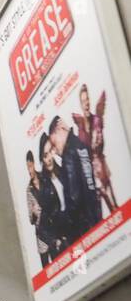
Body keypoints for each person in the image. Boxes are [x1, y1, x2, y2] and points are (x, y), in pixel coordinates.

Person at [48, 114, 102, 241]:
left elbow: (74, 198)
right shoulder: (80, 145)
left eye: (54, 143)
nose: (55, 150)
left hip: (83, 227)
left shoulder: (68, 156)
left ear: (60, 130)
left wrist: (60, 223)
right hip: (95, 217)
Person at [73, 85, 116, 215]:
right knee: (98, 218)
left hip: (101, 171)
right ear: (80, 104)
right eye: (83, 101)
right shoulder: (80, 128)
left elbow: (100, 142)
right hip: (91, 179)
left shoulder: (96, 120)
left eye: (87, 100)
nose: (86, 104)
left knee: (115, 209)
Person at [26, 146, 64, 265]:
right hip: (42, 237)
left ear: (34, 164)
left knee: (58, 263)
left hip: (53, 231)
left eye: (30, 166)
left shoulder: (45, 179)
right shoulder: (29, 190)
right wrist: (33, 213)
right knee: (46, 269)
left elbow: (56, 201)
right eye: (27, 168)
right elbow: (31, 220)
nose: (29, 171)